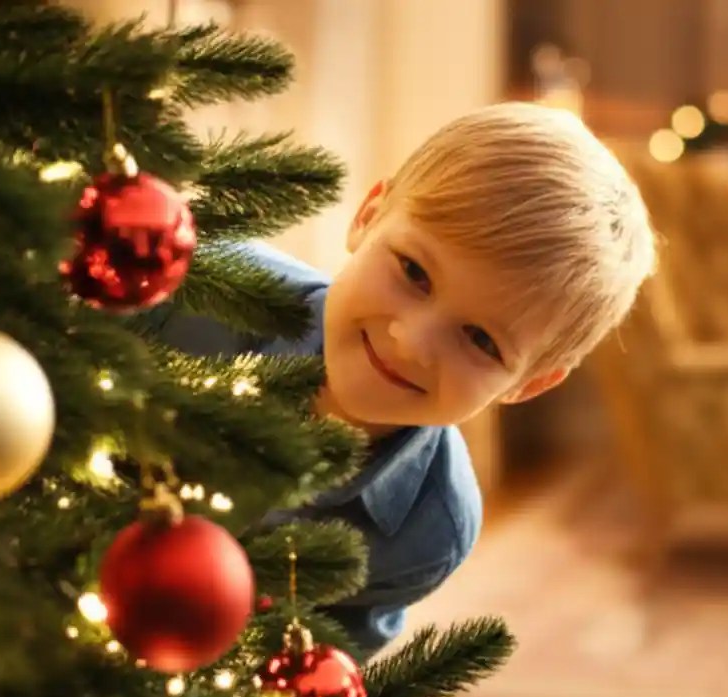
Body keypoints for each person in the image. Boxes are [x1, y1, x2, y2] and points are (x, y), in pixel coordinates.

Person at [157, 101, 658, 660]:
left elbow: (310, 679)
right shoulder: (188, 287)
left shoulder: (431, 529)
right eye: (414, 273)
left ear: (529, 384)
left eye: (481, 340)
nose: (411, 342)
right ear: (368, 215)